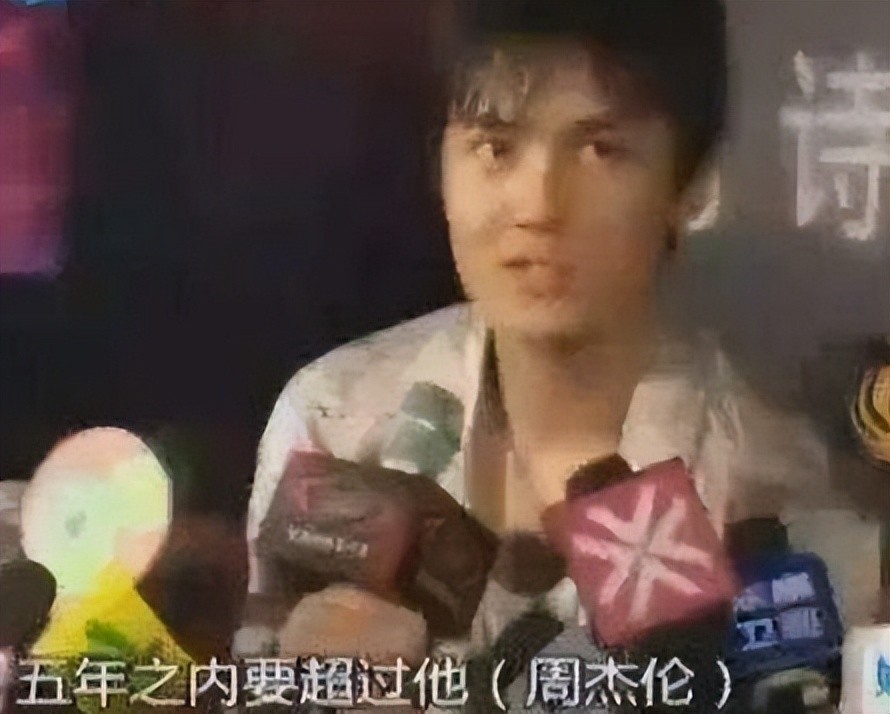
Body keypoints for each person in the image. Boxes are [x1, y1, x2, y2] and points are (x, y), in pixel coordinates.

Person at [239, 0, 885, 695]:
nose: (539, 206)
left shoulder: (777, 492)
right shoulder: (335, 422)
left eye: (600, 149)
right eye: (495, 148)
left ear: (688, 187)